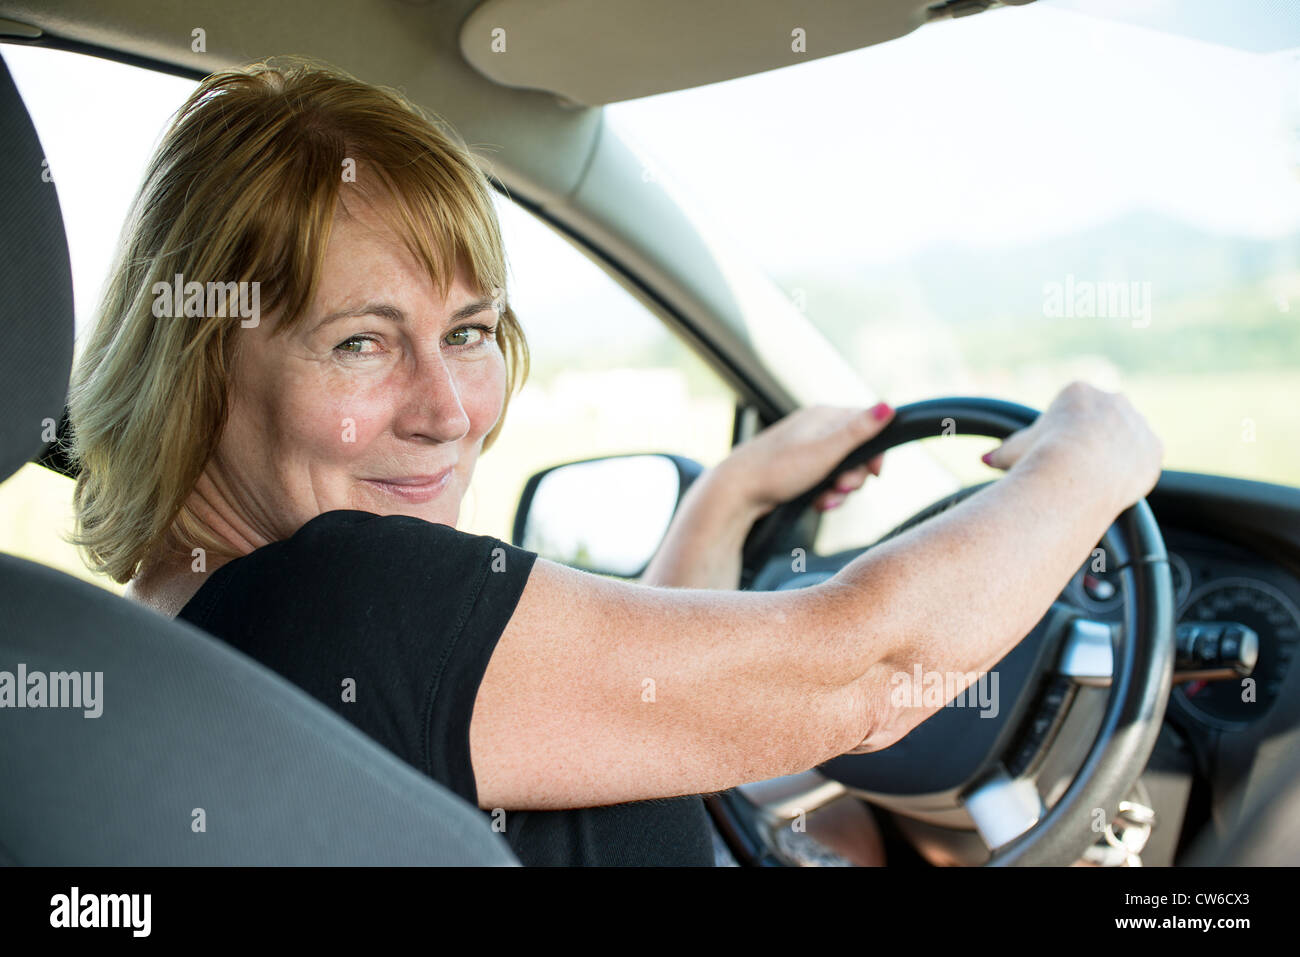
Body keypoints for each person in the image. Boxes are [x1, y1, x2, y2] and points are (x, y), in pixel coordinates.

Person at [67, 59, 1163, 866]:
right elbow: (864, 675)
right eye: (360, 341)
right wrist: (1085, 456)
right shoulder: (346, 591)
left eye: (468, 332)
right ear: (199, 364)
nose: (449, 412)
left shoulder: (172, 639)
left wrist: (722, 504)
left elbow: (621, 721)